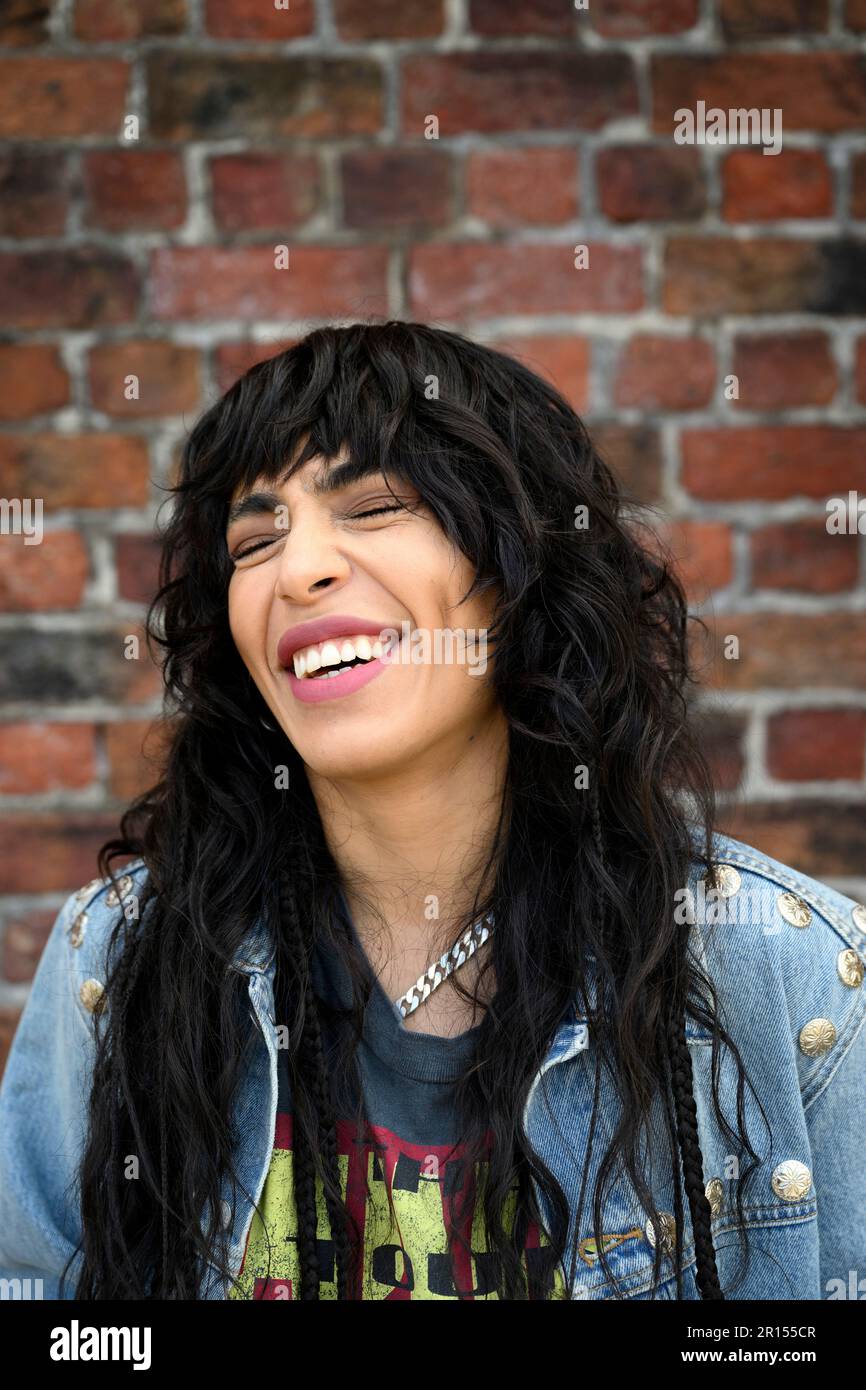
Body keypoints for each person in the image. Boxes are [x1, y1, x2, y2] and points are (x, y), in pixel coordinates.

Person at [0, 320, 863, 1301]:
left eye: (371, 505)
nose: (297, 569)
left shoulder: (787, 977)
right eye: (254, 539)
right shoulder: (114, 960)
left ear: (518, 570)